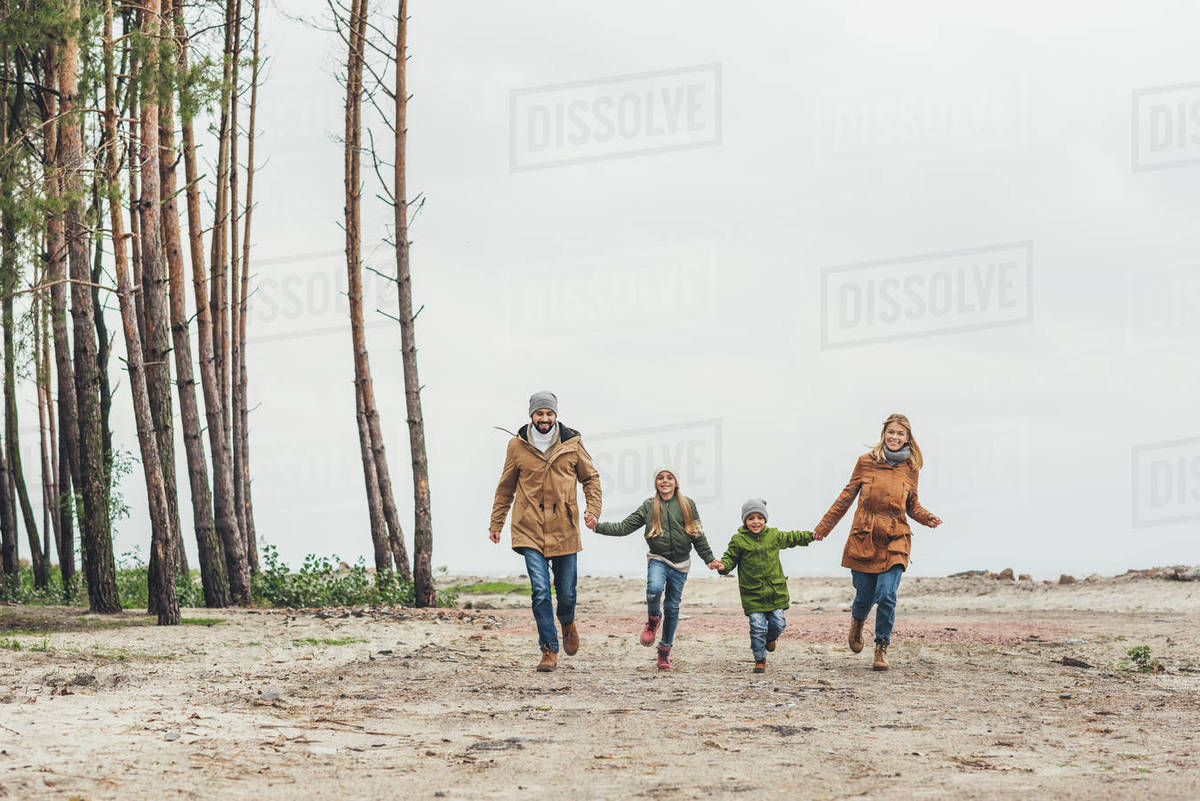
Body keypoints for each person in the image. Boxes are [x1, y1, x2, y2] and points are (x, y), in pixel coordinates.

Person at [813, 413, 942, 671]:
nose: (895, 437)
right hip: (865, 538)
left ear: (907, 439)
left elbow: (912, 504)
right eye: (891, 432)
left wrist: (925, 517)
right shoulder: (866, 462)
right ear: (884, 434)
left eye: (900, 434)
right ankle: (858, 621)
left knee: (887, 594)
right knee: (865, 594)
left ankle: (881, 646)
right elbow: (846, 497)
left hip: (896, 537)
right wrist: (824, 527)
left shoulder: (911, 468)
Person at [489, 391, 602, 672]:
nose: (544, 418)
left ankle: (567, 621)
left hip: (564, 528)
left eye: (549, 414)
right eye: (539, 414)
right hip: (528, 528)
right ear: (532, 415)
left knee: (566, 593)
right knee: (540, 591)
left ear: (555, 415)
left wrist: (593, 510)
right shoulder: (516, 446)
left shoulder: (572, 443)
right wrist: (496, 523)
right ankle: (549, 650)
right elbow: (505, 487)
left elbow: (590, 478)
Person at [587, 469, 722, 670]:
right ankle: (653, 620)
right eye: (660, 478)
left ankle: (664, 652)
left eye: (669, 478)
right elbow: (624, 527)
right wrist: (597, 526)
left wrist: (709, 559)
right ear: (656, 483)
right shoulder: (649, 506)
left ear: (676, 482)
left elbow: (697, 535)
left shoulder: (687, 505)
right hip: (658, 558)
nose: (665, 481)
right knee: (654, 589)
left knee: (672, 608)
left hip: (681, 564)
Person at [713, 498, 814, 673]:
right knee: (757, 626)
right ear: (745, 521)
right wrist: (723, 567)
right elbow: (729, 558)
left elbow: (792, 538)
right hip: (752, 593)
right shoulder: (739, 540)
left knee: (779, 623)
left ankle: (770, 638)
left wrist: (811, 536)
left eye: (759, 517)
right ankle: (760, 659)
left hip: (775, 591)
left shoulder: (773, 535)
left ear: (765, 519)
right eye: (751, 518)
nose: (756, 522)